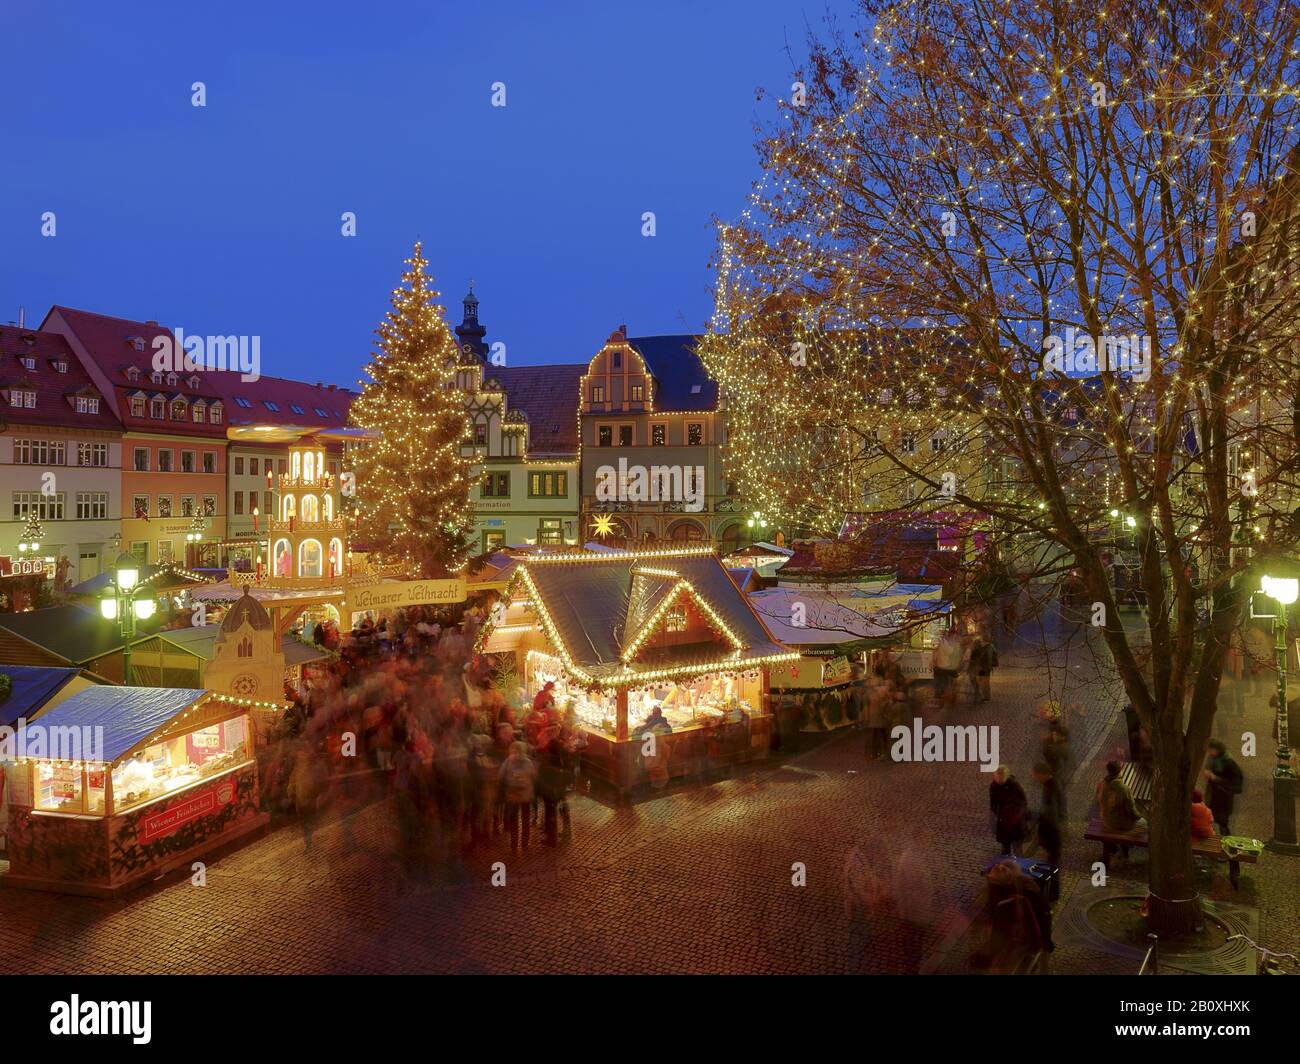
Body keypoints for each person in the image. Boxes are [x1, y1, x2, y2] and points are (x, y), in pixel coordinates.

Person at [1097, 761, 1144, 866]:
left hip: (1106, 819)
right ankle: (1125, 848)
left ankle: (1114, 846)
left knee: (1126, 820)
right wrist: (1139, 816)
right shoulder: (1123, 789)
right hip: (1118, 824)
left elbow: (1099, 800)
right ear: (1119, 772)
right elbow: (1131, 810)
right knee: (1143, 824)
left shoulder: (1103, 784)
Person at [499, 741, 538, 853]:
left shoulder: (508, 761)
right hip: (526, 795)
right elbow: (534, 776)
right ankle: (524, 843)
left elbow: (501, 775)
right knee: (525, 819)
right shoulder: (528, 762)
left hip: (513, 795)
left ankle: (514, 844)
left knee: (514, 820)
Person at [1203, 740, 1243, 835]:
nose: (1209, 752)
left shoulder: (1228, 763)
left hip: (1223, 799)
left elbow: (1235, 781)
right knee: (1211, 818)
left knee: (1222, 822)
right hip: (1215, 796)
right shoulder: (1215, 759)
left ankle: (1225, 841)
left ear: (1217, 750)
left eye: (1210, 750)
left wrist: (1215, 778)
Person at [1030, 761, 1063, 873]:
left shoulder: (1051, 789)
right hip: (1051, 831)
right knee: (1051, 861)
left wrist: (1034, 815)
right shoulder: (1050, 785)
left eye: (1034, 775)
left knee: (1052, 863)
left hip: (1052, 832)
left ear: (1041, 774)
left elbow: (1050, 814)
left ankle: (1053, 886)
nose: (1034, 778)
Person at [988, 765, 1028, 856]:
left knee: (1017, 847)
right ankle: (1006, 860)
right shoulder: (994, 785)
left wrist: (1017, 815)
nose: (998, 781)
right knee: (1005, 845)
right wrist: (998, 813)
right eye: (997, 778)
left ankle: (1018, 864)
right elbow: (993, 803)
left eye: (1001, 779)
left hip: (1015, 821)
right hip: (1003, 820)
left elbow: (1023, 801)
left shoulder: (1015, 785)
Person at [932, 629, 966, 703]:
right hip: (944, 667)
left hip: (943, 667)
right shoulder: (947, 643)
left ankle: (941, 698)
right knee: (943, 684)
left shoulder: (943, 642)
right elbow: (950, 653)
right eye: (955, 636)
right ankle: (942, 699)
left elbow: (935, 653)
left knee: (941, 683)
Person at [969, 635, 997, 702]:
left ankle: (985, 697)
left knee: (982, 681)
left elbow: (984, 658)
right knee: (985, 681)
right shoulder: (991, 646)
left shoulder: (984, 648)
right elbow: (993, 656)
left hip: (983, 668)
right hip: (987, 668)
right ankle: (986, 696)